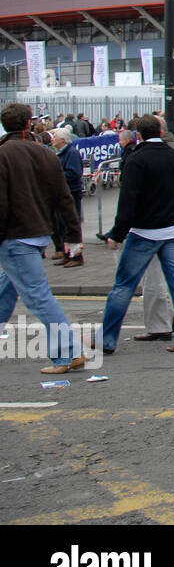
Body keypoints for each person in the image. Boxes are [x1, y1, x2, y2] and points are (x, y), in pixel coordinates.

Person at [96, 114, 174, 355]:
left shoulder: (136, 160)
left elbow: (128, 202)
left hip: (145, 231)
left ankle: (106, 339)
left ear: (138, 135)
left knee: (123, 286)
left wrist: (117, 234)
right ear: (161, 132)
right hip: (173, 228)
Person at [0, 103, 87, 373]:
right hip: (39, 232)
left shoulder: (2, 154)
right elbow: (64, 197)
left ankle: (68, 353)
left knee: (38, 298)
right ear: (28, 124)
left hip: (15, 235)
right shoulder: (47, 154)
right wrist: (73, 235)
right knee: (6, 289)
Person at [51, 128, 85, 266]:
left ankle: (76, 256)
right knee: (62, 224)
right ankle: (67, 253)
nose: (52, 139)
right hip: (63, 192)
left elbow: (75, 173)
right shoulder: (61, 153)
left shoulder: (71, 153)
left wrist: (56, 177)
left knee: (71, 224)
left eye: (54, 137)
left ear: (62, 140)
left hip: (72, 192)